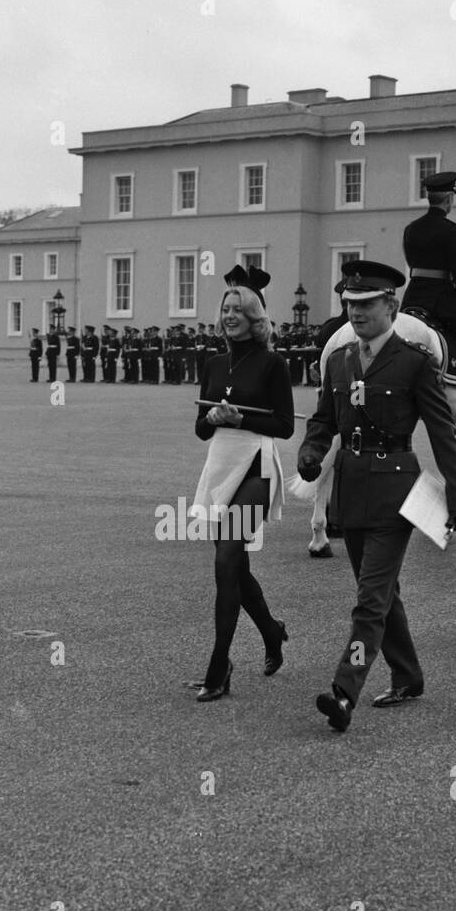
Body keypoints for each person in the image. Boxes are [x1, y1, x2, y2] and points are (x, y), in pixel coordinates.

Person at [296, 260, 456, 731]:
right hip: (350, 492)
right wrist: (311, 452)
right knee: (381, 593)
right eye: (349, 303)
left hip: (396, 493)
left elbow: (442, 433)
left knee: (369, 600)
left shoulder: (415, 361)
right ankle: (409, 675)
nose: (356, 312)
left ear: (391, 304)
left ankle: (344, 692)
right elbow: (324, 420)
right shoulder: (338, 360)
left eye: (367, 303)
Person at [189, 266, 294, 701]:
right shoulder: (212, 362)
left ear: (255, 317)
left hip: (257, 463)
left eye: (239, 309)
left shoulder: (273, 364)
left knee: (227, 555)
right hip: (221, 462)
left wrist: (240, 417)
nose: (230, 315)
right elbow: (199, 428)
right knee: (234, 565)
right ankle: (272, 631)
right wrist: (213, 418)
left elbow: (286, 426)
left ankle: (220, 663)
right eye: (226, 308)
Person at [401, 171, 456, 348]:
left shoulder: (410, 229)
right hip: (440, 302)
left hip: (411, 298)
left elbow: (410, 263)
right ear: (449, 198)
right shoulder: (451, 230)